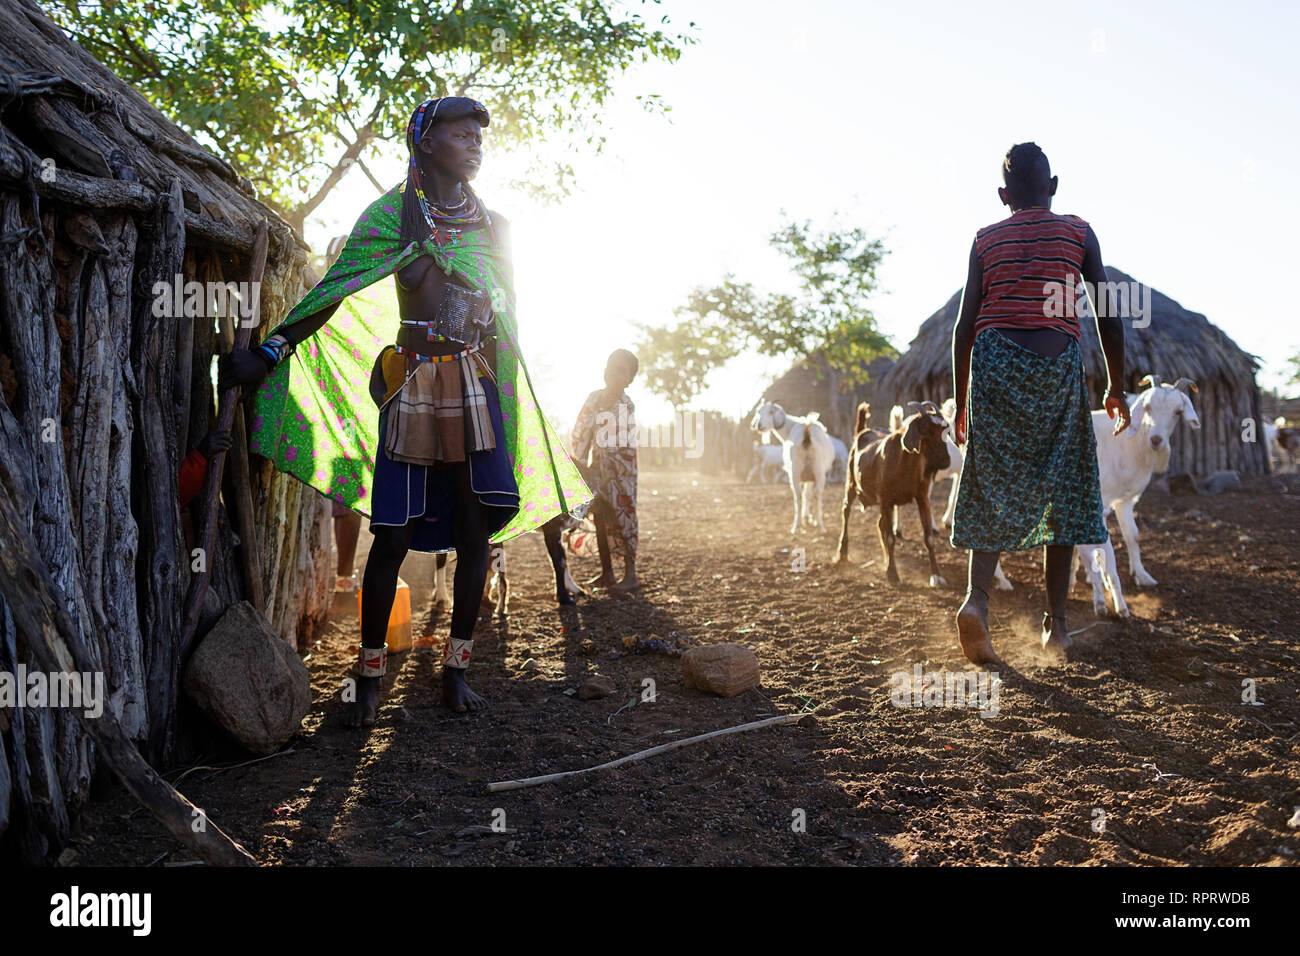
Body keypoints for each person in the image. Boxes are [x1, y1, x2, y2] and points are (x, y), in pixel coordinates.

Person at [222, 96, 590, 726]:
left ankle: (457, 667)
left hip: (478, 389)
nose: (476, 141)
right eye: (461, 131)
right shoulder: (391, 216)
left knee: (477, 535)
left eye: (480, 133)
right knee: (391, 535)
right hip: (412, 387)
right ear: (425, 138)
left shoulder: (495, 226)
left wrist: (514, 413)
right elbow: (333, 290)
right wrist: (274, 348)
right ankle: (369, 673)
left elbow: (508, 320)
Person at [949, 142, 1130, 665]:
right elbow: (1108, 317)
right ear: (1053, 187)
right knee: (1066, 484)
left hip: (996, 368)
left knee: (990, 479)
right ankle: (1057, 627)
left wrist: (962, 402)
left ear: (1004, 195)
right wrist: (1116, 387)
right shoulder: (1077, 231)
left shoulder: (985, 239)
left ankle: (976, 602)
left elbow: (965, 326)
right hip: (1056, 370)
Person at [570, 349, 640, 592]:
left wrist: (606, 469)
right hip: (597, 468)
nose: (613, 373)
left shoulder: (626, 404)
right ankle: (607, 572)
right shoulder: (594, 398)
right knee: (599, 515)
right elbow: (582, 430)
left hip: (622, 471)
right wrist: (581, 463)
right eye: (611, 367)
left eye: (621, 370)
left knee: (624, 516)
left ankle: (631, 574)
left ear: (630, 379)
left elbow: (620, 441)